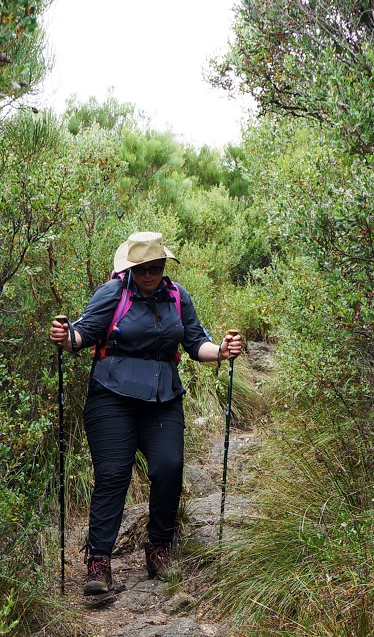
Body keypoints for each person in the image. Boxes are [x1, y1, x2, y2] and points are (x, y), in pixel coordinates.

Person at [49, 231, 242, 599]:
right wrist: (64, 336)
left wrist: (221, 351)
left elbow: (195, 342)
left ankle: (157, 549)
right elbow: (81, 336)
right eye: (142, 269)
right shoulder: (113, 294)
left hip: (163, 397)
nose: (150, 274)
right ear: (130, 268)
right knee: (113, 474)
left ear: (164, 266)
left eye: (156, 267)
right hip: (111, 398)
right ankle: (99, 563)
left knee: (169, 467)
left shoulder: (177, 296)